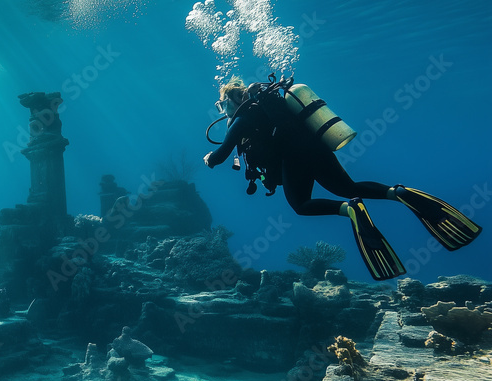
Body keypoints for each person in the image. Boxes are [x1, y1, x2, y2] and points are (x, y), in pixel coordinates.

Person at [203, 74, 482, 281]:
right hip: (316, 146)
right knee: (347, 185)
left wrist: (208, 159)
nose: (222, 110)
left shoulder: (244, 118)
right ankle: (397, 192)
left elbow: (220, 156)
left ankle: (350, 209)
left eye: (221, 104)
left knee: (301, 205)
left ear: (231, 100)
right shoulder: (271, 107)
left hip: (294, 158)